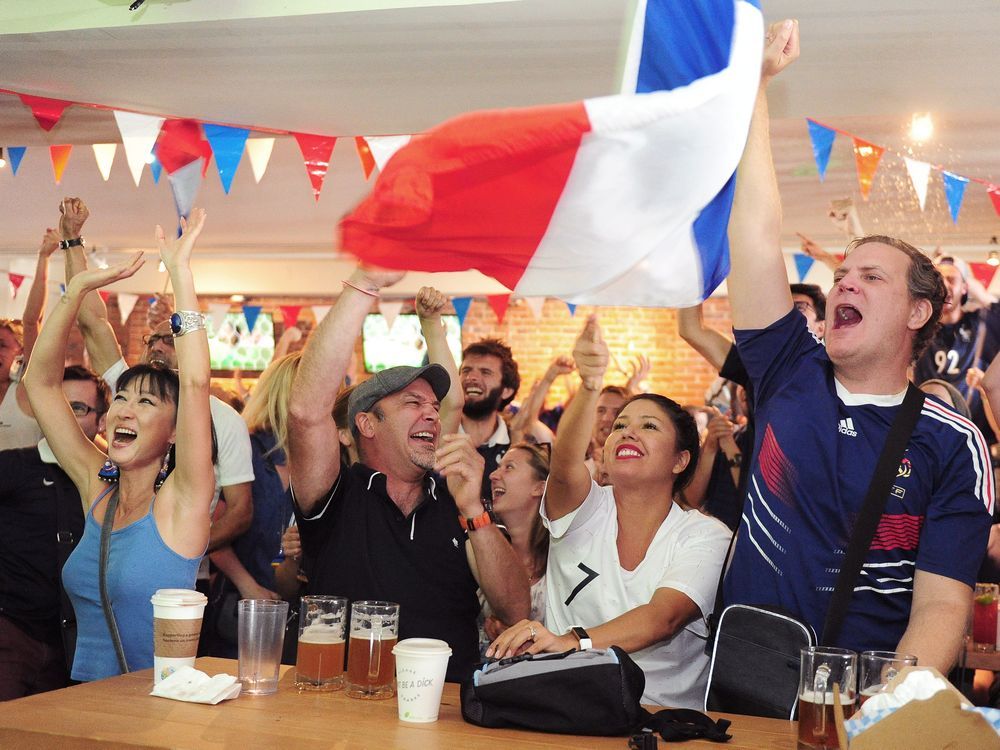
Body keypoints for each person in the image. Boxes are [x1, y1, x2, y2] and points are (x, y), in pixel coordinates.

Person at [721, 20, 992, 672]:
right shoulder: (789, 368)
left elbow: (941, 607)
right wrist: (754, 88)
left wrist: (890, 714)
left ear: (918, 312)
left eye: (872, 277)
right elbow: (756, 233)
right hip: (746, 685)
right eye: (843, 273)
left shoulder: (953, 442)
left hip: (865, 691)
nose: (846, 281)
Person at [287, 264, 529, 682]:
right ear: (366, 424)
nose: (432, 416)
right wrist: (364, 284)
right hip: (341, 706)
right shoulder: (335, 494)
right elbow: (307, 412)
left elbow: (515, 610)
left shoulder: (458, 501)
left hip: (446, 709)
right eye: (413, 404)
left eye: (434, 408)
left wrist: (474, 509)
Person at [488, 316, 730, 709]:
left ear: (680, 460)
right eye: (619, 425)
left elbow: (661, 618)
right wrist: (589, 383)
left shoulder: (705, 535)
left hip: (663, 719)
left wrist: (572, 641)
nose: (627, 433)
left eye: (648, 426)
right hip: (567, 707)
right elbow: (565, 464)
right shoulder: (586, 508)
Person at [22, 209, 215, 680]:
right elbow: (41, 383)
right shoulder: (98, 489)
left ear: (174, 431)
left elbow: (194, 383)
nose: (125, 409)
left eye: (146, 402)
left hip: (156, 712)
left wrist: (181, 277)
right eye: (122, 398)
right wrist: (76, 290)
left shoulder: (183, 502)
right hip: (82, 700)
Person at [59, 198, 254, 604]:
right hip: (111, 558)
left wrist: (174, 543)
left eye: (171, 337)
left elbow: (240, 511)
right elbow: (92, 321)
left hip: (184, 576)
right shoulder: (129, 392)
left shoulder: (222, 419)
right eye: (153, 339)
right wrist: (72, 242)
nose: (159, 347)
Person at [0, 366, 108, 699]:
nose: (68, 417)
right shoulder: (13, 466)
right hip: (12, 636)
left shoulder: (113, 483)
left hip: (76, 650)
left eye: (79, 408)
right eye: (61, 405)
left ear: (101, 420)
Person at [203, 353, 301, 657]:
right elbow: (209, 530)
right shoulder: (246, 448)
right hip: (239, 611)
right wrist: (247, 585)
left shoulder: (327, 458)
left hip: (300, 618)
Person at [477, 442, 550, 652]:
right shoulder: (481, 549)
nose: (492, 475)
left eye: (509, 467)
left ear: (540, 487)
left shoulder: (563, 557)